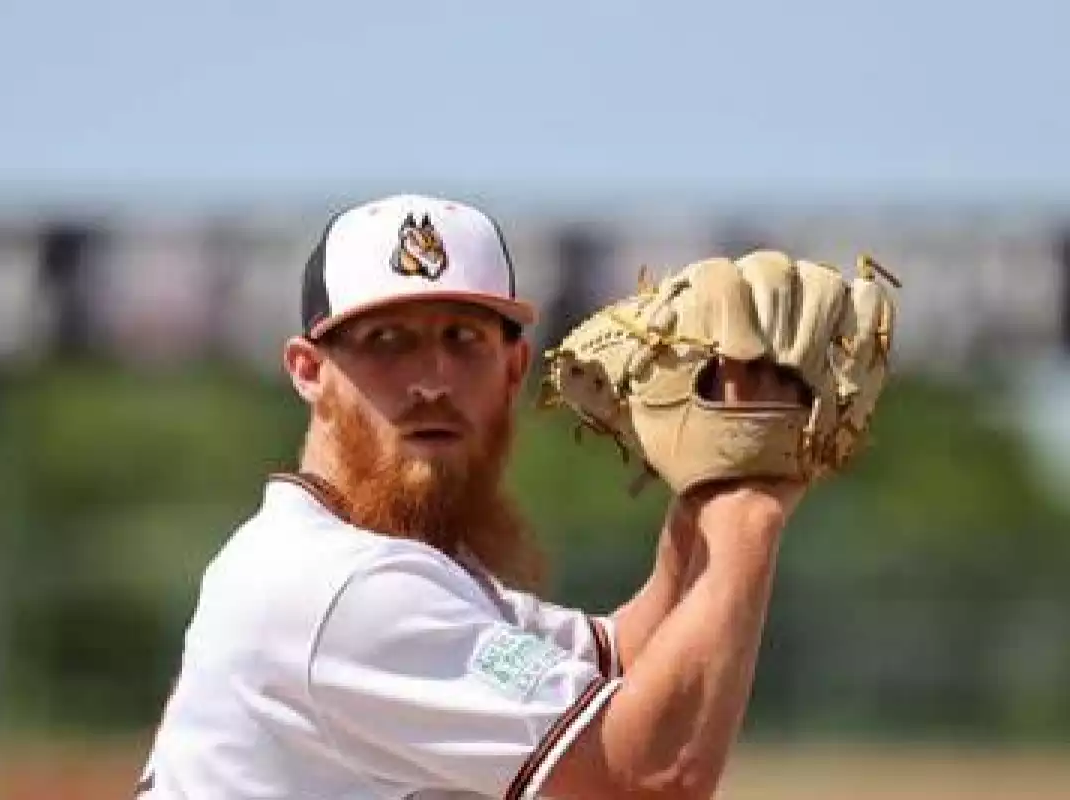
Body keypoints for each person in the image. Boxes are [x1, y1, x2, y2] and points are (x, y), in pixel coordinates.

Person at [135, 193, 808, 799]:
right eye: (387, 341)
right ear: (310, 371)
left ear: (513, 368)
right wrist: (749, 508)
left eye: (463, 339)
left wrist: (709, 486)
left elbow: (624, 660)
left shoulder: (376, 557)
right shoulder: (338, 587)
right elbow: (647, 779)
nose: (432, 379)